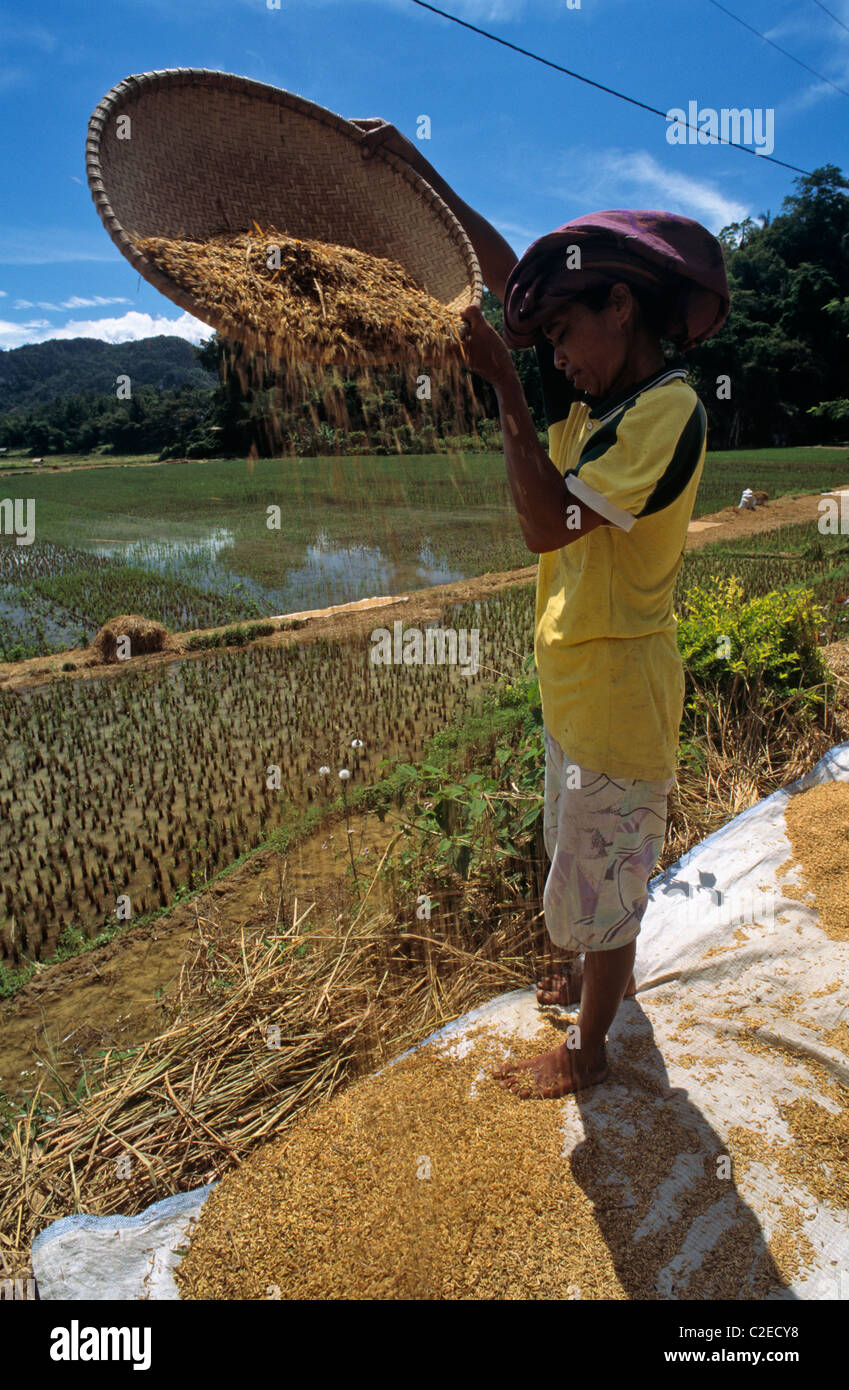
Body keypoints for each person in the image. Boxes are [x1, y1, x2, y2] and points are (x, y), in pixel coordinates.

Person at [355, 119, 730, 1098]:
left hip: (615, 701)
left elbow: (545, 523)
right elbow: (519, 285)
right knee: (588, 860)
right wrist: (417, 168)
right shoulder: (607, 401)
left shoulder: (668, 412)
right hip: (579, 686)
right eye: (549, 342)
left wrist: (505, 397)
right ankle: (596, 976)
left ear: (622, 304)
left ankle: (591, 1048)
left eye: (568, 334)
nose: (553, 352)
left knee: (604, 884)